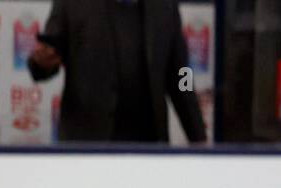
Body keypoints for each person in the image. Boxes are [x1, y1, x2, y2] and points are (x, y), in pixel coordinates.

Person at [27, 0, 206, 144]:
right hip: (86, 146)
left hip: (150, 148)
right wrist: (40, 63)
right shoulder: (72, 3)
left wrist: (198, 137)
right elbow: (47, 56)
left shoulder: (166, 5)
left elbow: (183, 74)